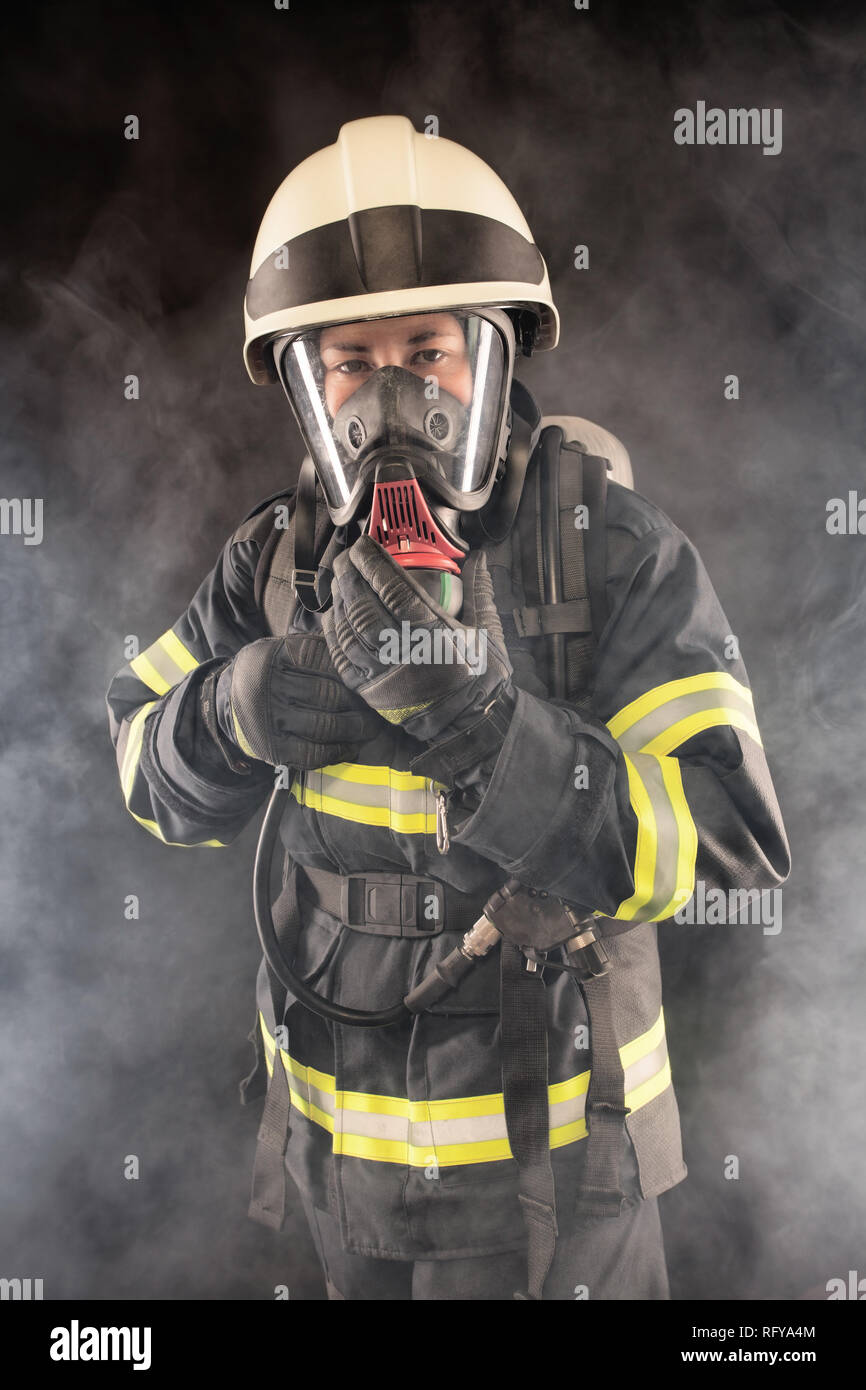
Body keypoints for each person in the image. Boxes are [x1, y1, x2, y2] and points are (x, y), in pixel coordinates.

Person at [106, 115, 791, 1301]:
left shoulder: (610, 552)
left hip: (566, 1192)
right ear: (304, 388)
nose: (390, 402)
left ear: (497, 357)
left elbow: (727, 845)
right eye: (349, 363)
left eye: (427, 353)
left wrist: (493, 732)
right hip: (339, 1195)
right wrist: (227, 710)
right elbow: (135, 772)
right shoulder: (268, 566)